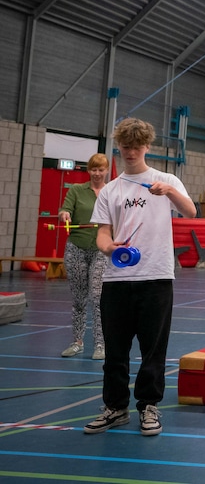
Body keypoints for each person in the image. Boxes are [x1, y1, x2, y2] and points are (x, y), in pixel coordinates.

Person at [85, 118, 196, 436]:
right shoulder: (110, 190)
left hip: (157, 277)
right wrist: (109, 248)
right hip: (117, 281)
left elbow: (191, 212)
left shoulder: (166, 179)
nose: (131, 152)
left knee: (153, 348)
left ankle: (148, 406)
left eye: (137, 147)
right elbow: (103, 234)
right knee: (115, 351)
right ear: (118, 148)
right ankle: (115, 408)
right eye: (125, 147)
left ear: (147, 147)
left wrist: (171, 192)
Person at [58, 152, 110, 360]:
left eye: (101, 170)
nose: (97, 173)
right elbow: (65, 209)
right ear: (88, 170)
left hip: (101, 250)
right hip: (77, 248)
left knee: (97, 298)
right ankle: (77, 342)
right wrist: (65, 214)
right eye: (93, 169)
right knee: (79, 299)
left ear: (106, 170)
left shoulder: (112, 192)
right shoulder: (77, 190)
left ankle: (100, 344)